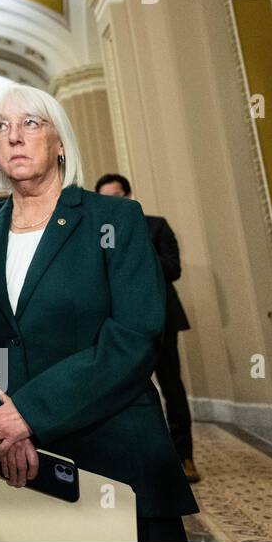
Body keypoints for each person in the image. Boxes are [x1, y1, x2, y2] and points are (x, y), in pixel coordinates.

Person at [0, 85, 197, 542]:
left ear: (60, 143)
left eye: (30, 123)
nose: (14, 136)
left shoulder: (113, 220)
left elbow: (134, 335)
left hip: (110, 448)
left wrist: (30, 414)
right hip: (10, 458)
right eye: (1, 126)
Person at [94, 172, 199, 483]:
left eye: (115, 197)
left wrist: (137, 244)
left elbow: (173, 269)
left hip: (162, 320)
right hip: (118, 326)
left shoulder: (155, 225)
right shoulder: (102, 232)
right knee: (120, 392)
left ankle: (184, 457)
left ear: (128, 196)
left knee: (172, 388)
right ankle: (130, 459)